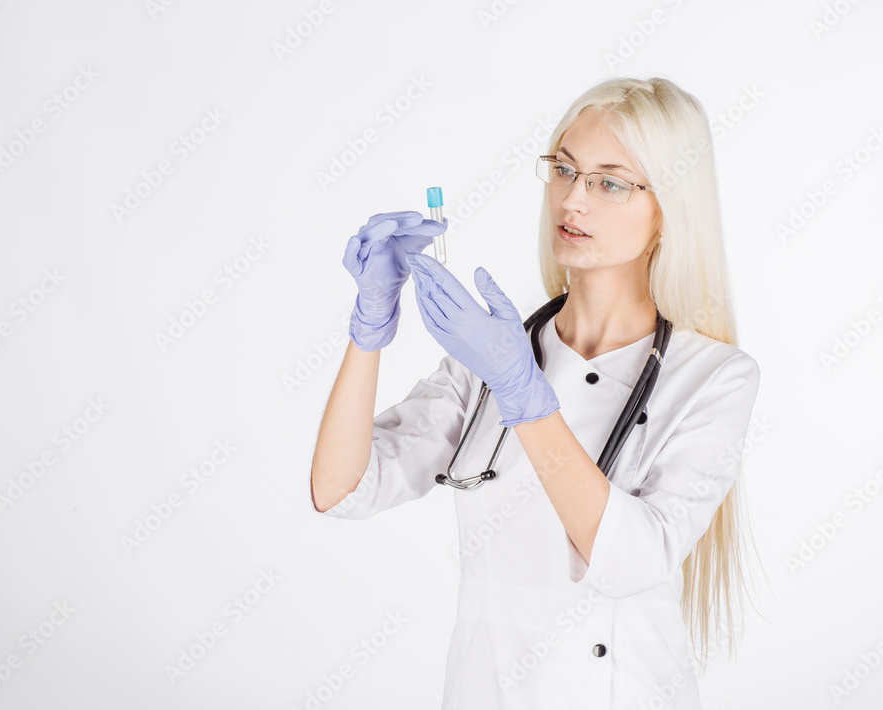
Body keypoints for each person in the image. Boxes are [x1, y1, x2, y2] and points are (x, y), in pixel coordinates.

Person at [310, 76, 761, 709]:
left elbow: (631, 561)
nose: (573, 200)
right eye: (564, 170)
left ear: (669, 211)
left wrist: (523, 390)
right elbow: (341, 489)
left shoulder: (713, 378)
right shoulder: (489, 357)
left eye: (610, 181)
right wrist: (368, 330)